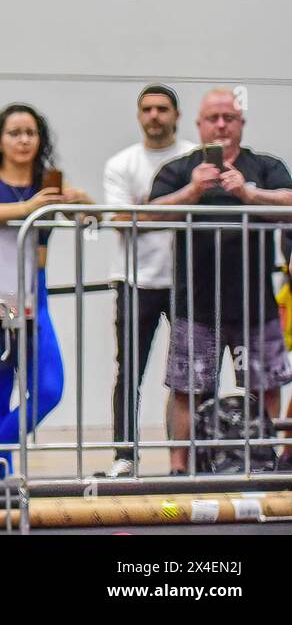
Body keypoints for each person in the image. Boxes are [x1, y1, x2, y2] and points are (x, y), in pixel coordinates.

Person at [148, 88, 292, 475]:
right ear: (199, 125)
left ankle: (264, 458)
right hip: (196, 303)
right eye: (213, 118)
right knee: (185, 388)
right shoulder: (180, 169)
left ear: (241, 124)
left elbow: (290, 201)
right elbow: (146, 214)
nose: (221, 124)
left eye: (229, 117)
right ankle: (179, 468)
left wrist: (248, 193)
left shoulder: (264, 166)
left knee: (264, 384)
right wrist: (193, 190)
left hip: (254, 302)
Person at [0, 103, 93, 473]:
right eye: (14, 133)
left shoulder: (48, 181)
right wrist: (30, 208)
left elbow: (93, 217)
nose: (23, 140)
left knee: (49, 387)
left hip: (35, 289)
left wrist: (82, 200)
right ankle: (0, 471)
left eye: (30, 133)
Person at [97, 85, 196, 478]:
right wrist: (181, 203)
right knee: (130, 372)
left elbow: (137, 216)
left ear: (176, 114)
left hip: (188, 281)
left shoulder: (194, 158)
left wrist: (146, 211)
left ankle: (188, 457)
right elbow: (121, 219)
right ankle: (125, 455)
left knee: (191, 372)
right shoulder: (122, 163)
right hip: (135, 282)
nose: (155, 115)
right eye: (148, 109)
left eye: (163, 108)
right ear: (139, 116)